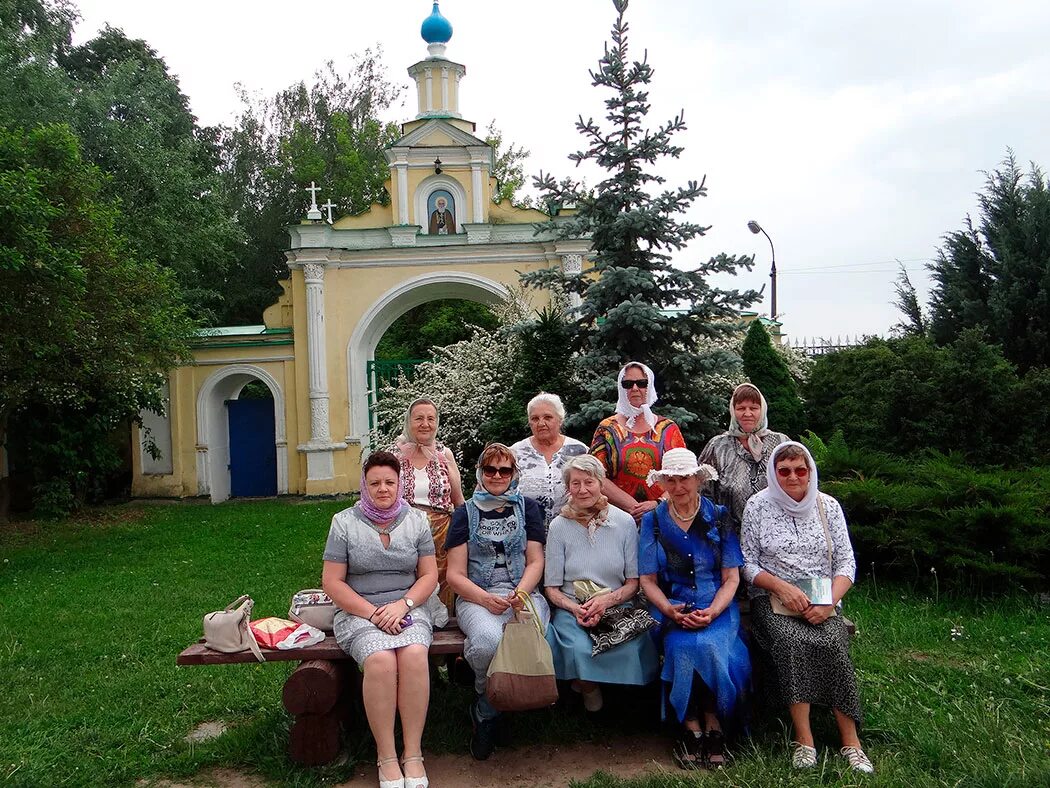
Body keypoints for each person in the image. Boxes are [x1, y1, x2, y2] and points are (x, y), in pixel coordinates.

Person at [740, 441, 873, 774]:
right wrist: (781, 587)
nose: (793, 477)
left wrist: (828, 602)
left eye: (801, 470)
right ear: (774, 473)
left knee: (833, 644)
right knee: (791, 643)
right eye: (784, 471)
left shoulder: (827, 506)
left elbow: (846, 562)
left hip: (821, 596)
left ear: (810, 471)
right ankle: (804, 739)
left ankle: (851, 741)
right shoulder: (758, 505)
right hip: (773, 597)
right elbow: (746, 561)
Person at [322, 451, 439, 788]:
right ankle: (386, 755)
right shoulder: (343, 522)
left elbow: (429, 576)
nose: (383, 489)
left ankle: (413, 753)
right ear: (365, 485)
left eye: (390, 482)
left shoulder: (416, 520)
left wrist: (403, 605)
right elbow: (332, 582)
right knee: (380, 660)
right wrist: (374, 613)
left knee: (415, 655)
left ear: (400, 484)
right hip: (360, 611)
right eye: (375, 483)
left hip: (408, 605)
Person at [638, 448, 751, 770]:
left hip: (716, 604)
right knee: (681, 648)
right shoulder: (653, 521)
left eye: (684, 479)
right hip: (672, 606)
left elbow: (731, 578)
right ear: (663, 483)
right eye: (670, 480)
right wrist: (670, 611)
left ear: (698, 479)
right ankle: (691, 730)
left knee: (714, 648)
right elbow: (647, 580)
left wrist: (714, 612)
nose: (678, 487)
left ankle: (715, 727)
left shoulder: (718, 516)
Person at [445, 443, 550, 760]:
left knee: (528, 638)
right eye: (490, 469)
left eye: (505, 470)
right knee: (489, 641)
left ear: (514, 474)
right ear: (479, 473)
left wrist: (520, 593)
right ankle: (485, 697)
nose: (497, 476)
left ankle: (487, 712)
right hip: (476, 595)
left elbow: (535, 561)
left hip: (523, 592)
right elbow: (454, 575)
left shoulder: (528, 508)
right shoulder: (465, 514)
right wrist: (484, 598)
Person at [544, 454, 660, 712]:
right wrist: (576, 609)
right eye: (575, 484)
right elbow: (551, 588)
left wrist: (607, 601)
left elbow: (633, 582)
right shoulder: (558, 526)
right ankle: (589, 690)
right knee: (577, 648)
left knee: (630, 648)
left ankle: (623, 704)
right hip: (573, 608)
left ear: (601, 483)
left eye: (589, 482)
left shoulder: (624, 522)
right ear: (568, 488)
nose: (582, 490)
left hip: (616, 603)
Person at [389, 398, 465, 614]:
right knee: (409, 580)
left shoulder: (444, 454)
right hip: (403, 531)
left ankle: (444, 629)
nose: (425, 424)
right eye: (419, 418)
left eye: (430, 419)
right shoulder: (394, 455)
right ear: (408, 421)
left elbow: (458, 499)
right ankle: (405, 620)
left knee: (442, 584)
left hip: (441, 534)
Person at [590, 362, 686, 522]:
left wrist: (658, 504)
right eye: (628, 384)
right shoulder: (606, 429)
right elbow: (595, 475)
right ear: (621, 388)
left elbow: (685, 474)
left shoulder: (668, 428)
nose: (635, 388)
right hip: (616, 519)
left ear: (650, 386)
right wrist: (633, 507)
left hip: (663, 518)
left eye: (642, 383)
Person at [699, 383, 789, 533]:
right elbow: (702, 490)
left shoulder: (780, 442)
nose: (747, 413)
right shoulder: (718, 445)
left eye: (753, 408)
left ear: (762, 410)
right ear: (733, 411)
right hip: (729, 534)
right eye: (741, 408)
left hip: (775, 532)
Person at [510, 392, 588, 530]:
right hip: (526, 538)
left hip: (572, 533)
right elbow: (489, 488)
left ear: (560, 419)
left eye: (547, 417)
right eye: (535, 418)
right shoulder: (515, 453)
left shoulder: (580, 451)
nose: (541, 423)